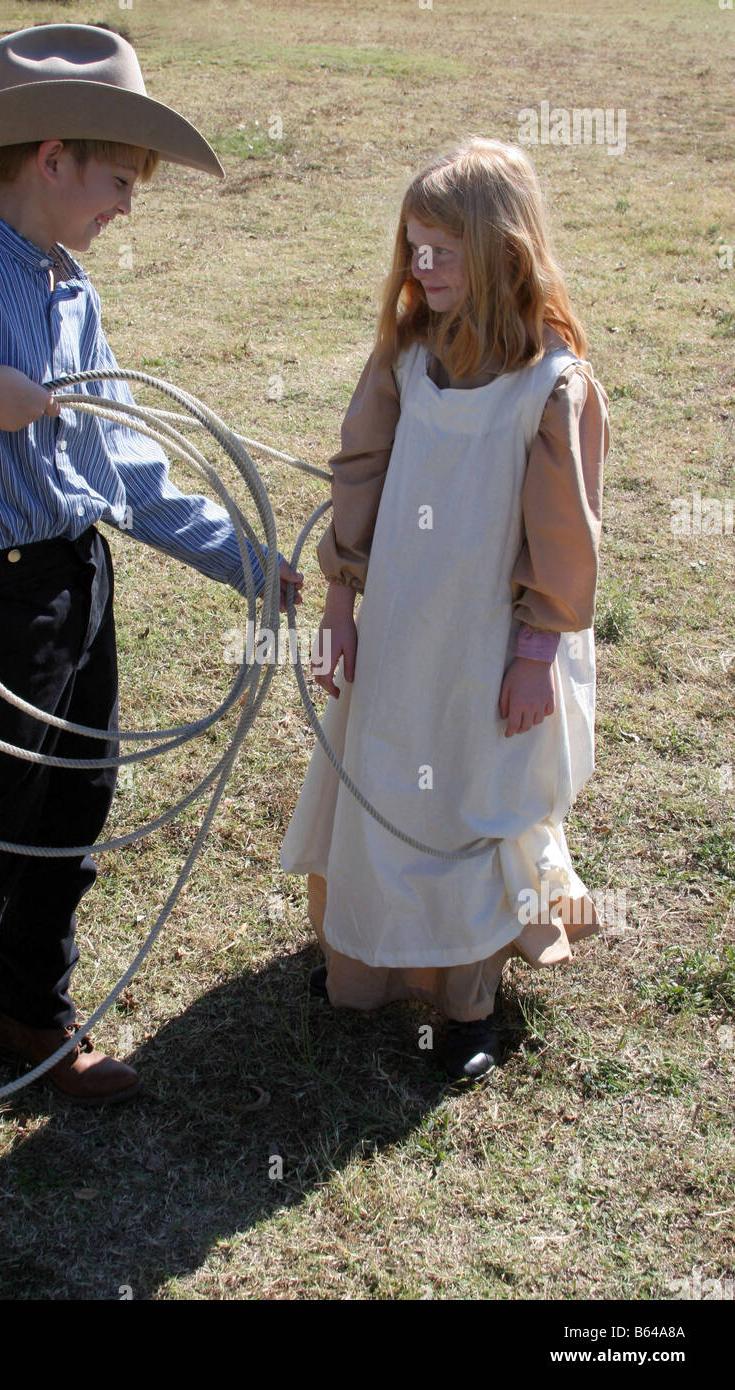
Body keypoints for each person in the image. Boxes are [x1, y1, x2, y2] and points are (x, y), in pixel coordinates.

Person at [0, 22, 303, 1200]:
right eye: (119, 179)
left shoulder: (69, 288)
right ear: (50, 157)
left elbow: (119, 468)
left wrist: (244, 558)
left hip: (75, 571)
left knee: (77, 803)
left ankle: (28, 1014)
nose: (129, 205)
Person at [280, 137, 609, 1083]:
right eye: (411, 250)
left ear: (504, 250)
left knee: (471, 793)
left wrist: (535, 648)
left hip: (492, 641)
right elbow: (363, 471)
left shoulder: (553, 386)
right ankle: (370, 968)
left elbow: (561, 536)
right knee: (383, 777)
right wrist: (342, 598)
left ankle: (466, 1000)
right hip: (399, 624)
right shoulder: (410, 355)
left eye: (442, 251)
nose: (421, 271)